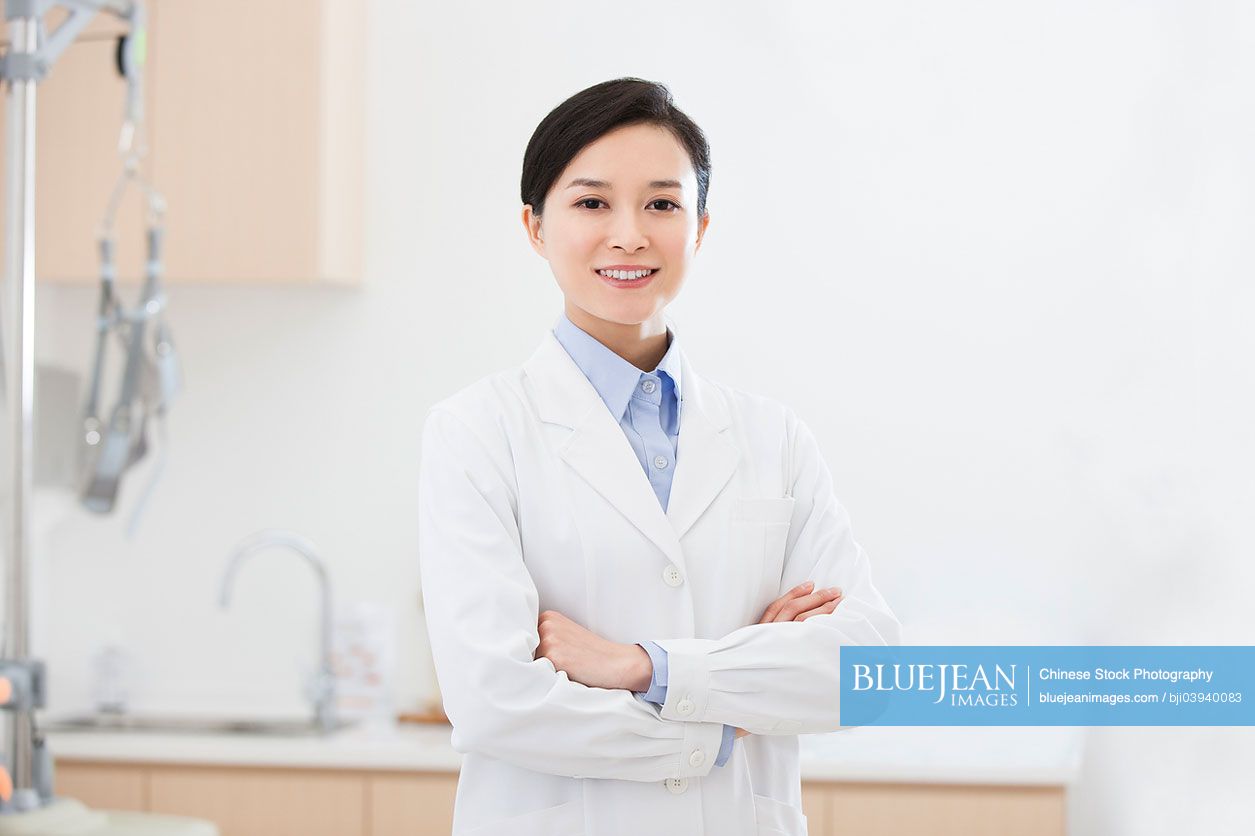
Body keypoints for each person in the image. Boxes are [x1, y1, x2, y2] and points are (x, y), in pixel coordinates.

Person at [418, 77, 901, 836]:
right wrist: (726, 719)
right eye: (591, 202)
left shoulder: (772, 438)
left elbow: (868, 674)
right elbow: (493, 702)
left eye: (662, 205)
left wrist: (643, 667)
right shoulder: (477, 431)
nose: (629, 235)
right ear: (535, 226)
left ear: (699, 228)